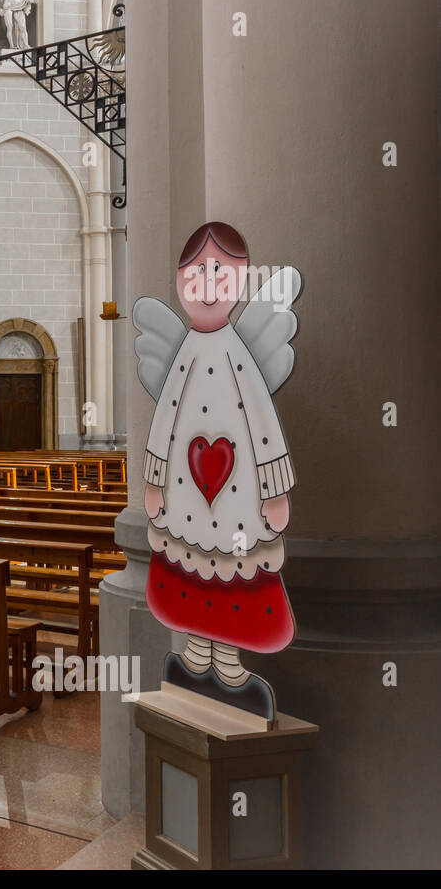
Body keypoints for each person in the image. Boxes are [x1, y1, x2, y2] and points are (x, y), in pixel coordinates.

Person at [135, 222, 300, 720]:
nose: (207, 282)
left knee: (231, 578)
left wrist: (273, 490)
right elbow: (165, 418)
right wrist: (155, 480)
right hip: (186, 496)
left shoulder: (236, 353)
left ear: (240, 279)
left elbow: (263, 420)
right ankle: (196, 653)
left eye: (219, 271)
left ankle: (228, 661)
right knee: (190, 572)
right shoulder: (185, 353)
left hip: (236, 500)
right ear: (182, 279)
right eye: (197, 271)